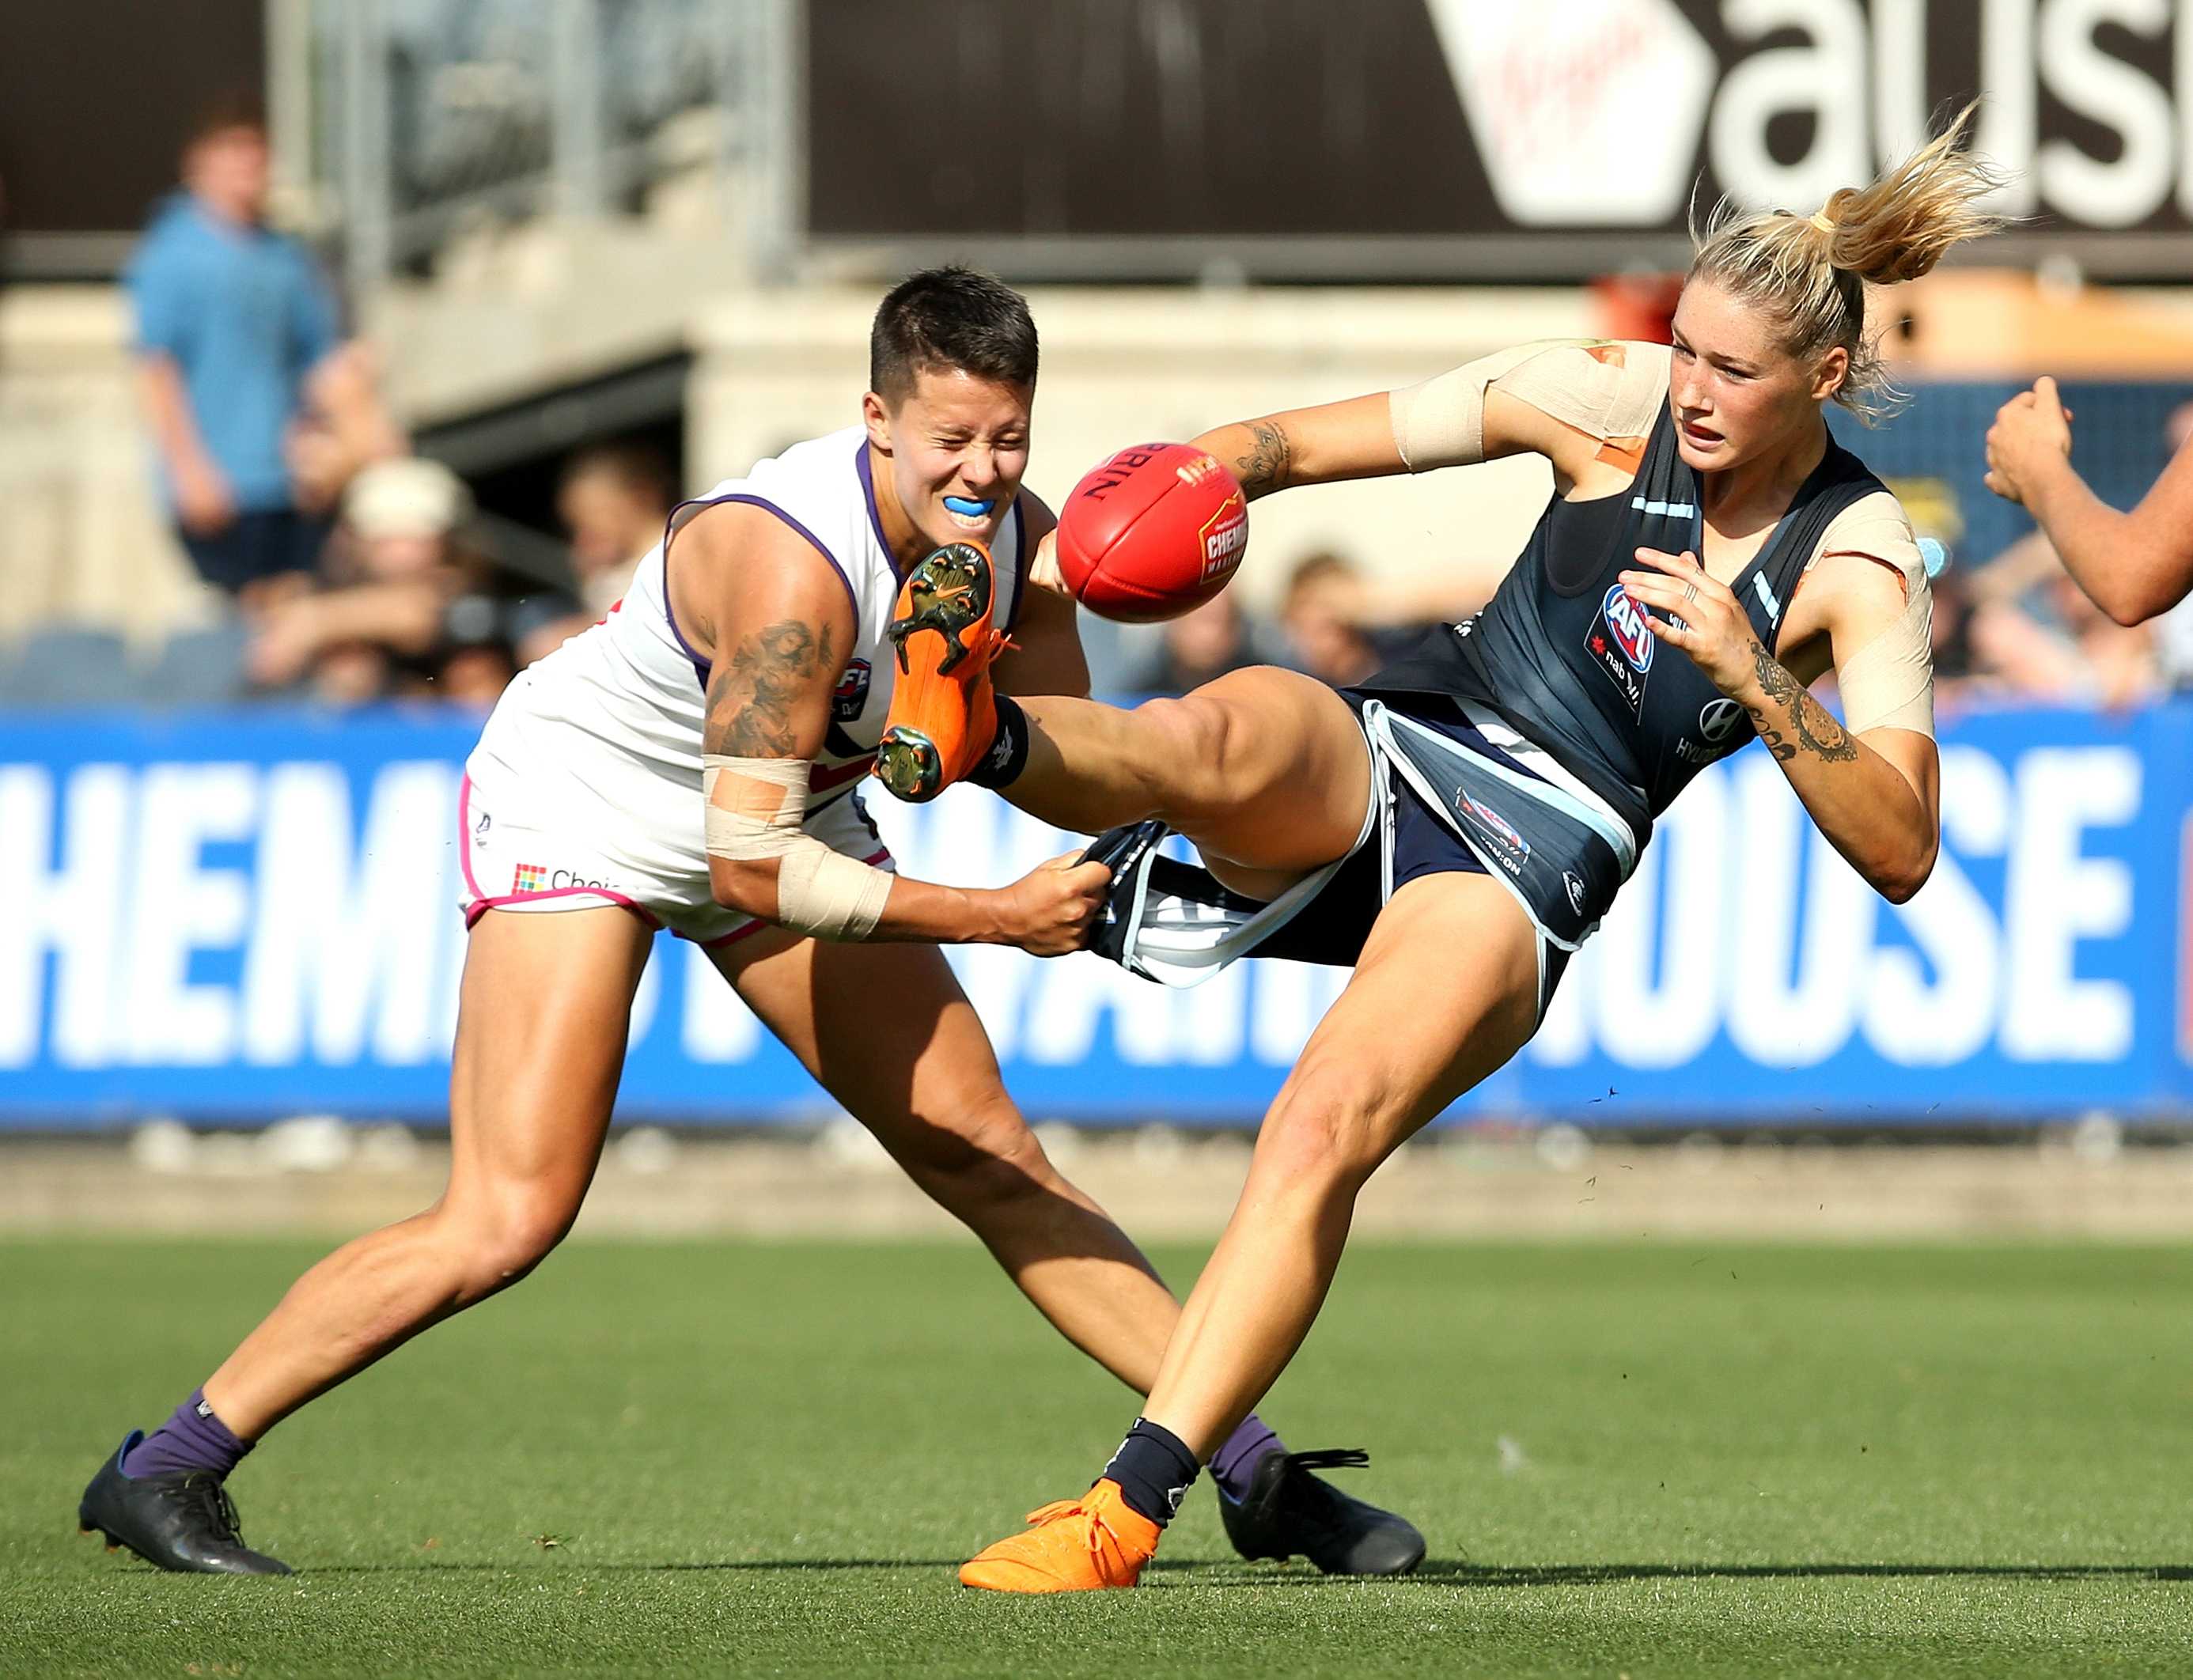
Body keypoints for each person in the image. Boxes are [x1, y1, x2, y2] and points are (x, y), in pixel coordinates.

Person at [76, 267, 1420, 1579]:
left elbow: (1064, 765)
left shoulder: (1017, 537)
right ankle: (165, 1463)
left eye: (1010, 436)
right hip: (589, 806)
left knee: (989, 1155)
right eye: (950, 436)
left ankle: (1244, 1466)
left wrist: (1068, 718)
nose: (986, 469)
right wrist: (994, 915)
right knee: (507, 1213)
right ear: (876, 415)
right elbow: (758, 867)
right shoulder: (792, 572)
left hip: (786, 813)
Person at [870, 118, 1997, 1592]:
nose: (1694, 392)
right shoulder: (1600, 398)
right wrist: (1158, 508)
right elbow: (1285, 449)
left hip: (1536, 851)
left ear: (1826, 380)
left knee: (1316, 1119)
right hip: (1412, 731)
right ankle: (975, 728)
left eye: (1736, 370)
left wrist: (1759, 674)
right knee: (1214, 740)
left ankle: (1118, 1512)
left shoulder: (1857, 563)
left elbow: (1902, 845)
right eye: (1687, 353)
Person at [125, 96, 381, 602]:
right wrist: (189, 469)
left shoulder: (286, 257)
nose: (248, 166)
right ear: (198, 162)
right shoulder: (171, 254)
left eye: (256, 153)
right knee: (252, 618)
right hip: (223, 481)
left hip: (290, 479)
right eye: (232, 151)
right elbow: (156, 369)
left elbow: (318, 360)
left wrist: (340, 439)